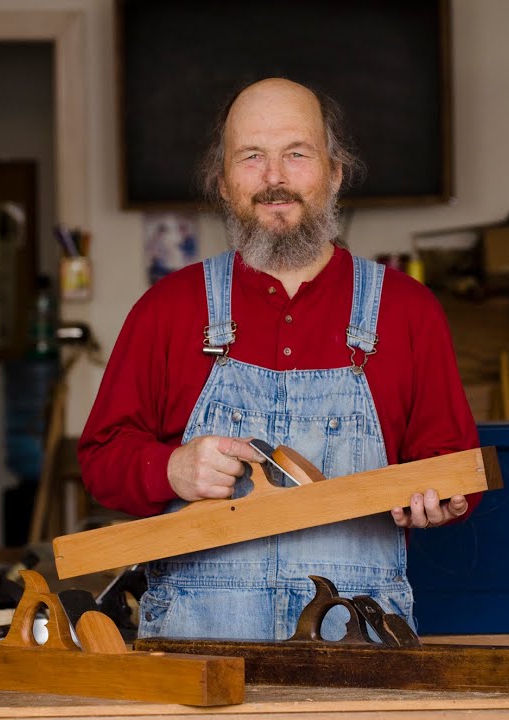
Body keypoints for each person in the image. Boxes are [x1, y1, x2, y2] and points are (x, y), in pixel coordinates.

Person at [77, 77, 482, 642]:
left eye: (296, 154)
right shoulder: (166, 310)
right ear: (222, 183)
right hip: (197, 659)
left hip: (358, 647)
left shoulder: (407, 311)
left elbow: (453, 463)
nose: (274, 179)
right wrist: (170, 468)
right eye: (251, 157)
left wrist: (443, 497)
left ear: (334, 172)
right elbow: (100, 458)